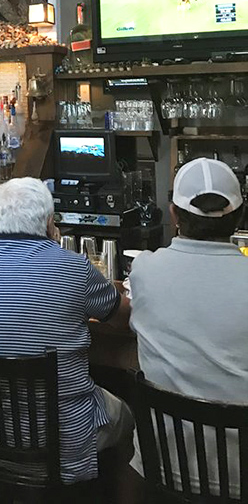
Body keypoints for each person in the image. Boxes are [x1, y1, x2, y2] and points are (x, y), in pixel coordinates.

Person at [0, 177, 133, 489]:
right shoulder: (74, 267)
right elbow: (122, 318)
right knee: (129, 416)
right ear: (51, 222)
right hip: (60, 441)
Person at [127, 157, 247, 500]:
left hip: (164, 467)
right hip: (240, 477)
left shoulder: (145, 271)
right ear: (239, 217)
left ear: (174, 214)